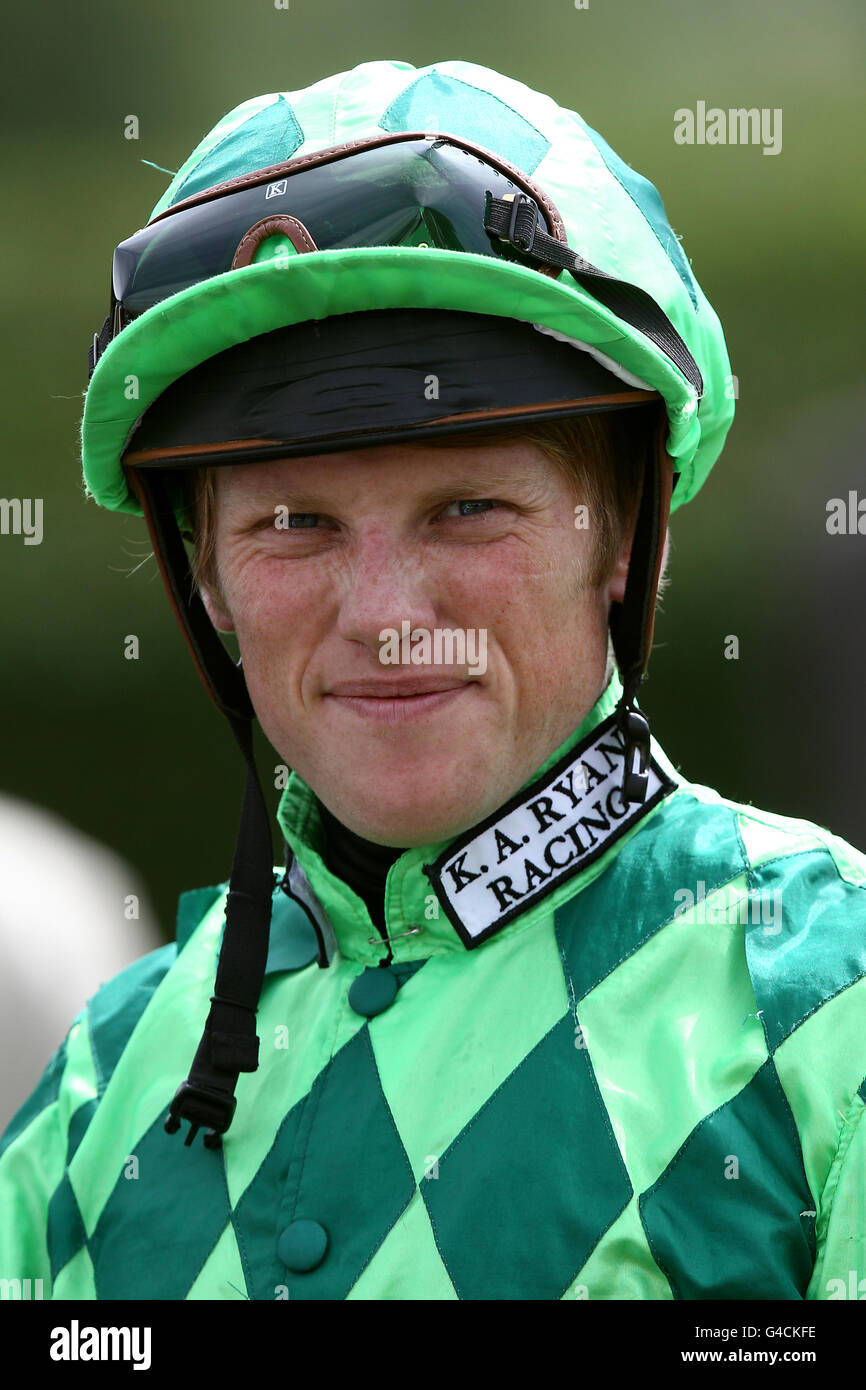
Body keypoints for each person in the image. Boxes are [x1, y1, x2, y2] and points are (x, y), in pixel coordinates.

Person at [1, 58, 864, 1303]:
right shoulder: (99, 1082)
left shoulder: (830, 997)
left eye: (466, 508)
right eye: (293, 523)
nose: (385, 619)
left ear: (623, 532)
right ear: (204, 575)